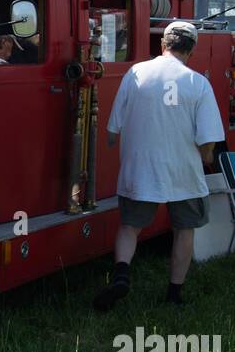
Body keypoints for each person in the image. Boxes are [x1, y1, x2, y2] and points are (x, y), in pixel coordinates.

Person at [94, 21, 225, 310]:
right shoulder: (198, 83)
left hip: (140, 168)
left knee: (130, 226)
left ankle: (122, 274)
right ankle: (174, 295)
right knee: (184, 230)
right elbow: (208, 140)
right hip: (184, 172)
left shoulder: (136, 73)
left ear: (162, 44)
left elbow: (113, 130)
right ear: (191, 49)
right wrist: (207, 157)